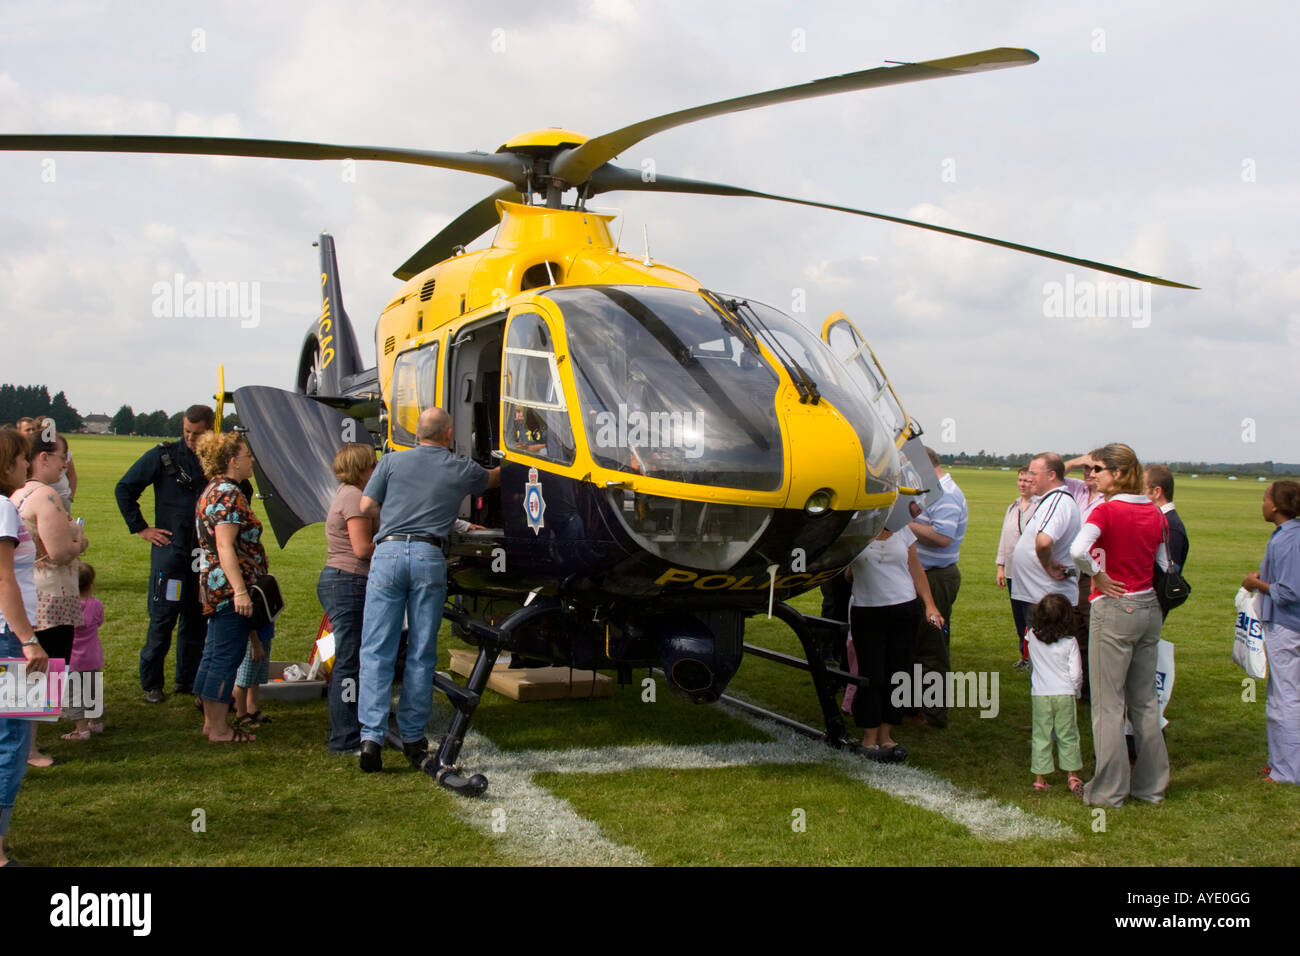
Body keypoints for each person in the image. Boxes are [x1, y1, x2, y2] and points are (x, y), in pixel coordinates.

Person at [357, 407, 499, 773]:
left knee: (376, 648)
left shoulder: (391, 461)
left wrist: (395, 517)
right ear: (448, 433)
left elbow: (366, 505)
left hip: (387, 553)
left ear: (418, 432)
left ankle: (371, 736)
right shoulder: (459, 467)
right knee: (421, 652)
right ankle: (413, 735)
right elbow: (492, 479)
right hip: (427, 556)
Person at [1068, 443, 1169, 808]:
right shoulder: (1156, 513)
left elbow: (1077, 550)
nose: (1091, 474)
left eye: (1097, 469)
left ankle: (1108, 791)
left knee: (1108, 705)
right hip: (1148, 608)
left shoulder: (1107, 510)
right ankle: (1151, 788)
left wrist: (1098, 574)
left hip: (1114, 609)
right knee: (1145, 702)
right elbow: (1163, 564)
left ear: (1119, 473)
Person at [116, 405, 213, 702]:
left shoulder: (216, 459)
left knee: (196, 620)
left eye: (197, 434)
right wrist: (142, 528)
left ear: (210, 431)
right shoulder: (163, 456)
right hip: (170, 553)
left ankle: (187, 680)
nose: (191, 438)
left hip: (202, 555)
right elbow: (125, 488)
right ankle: (152, 684)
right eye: (186, 432)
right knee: (162, 620)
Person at [11, 428, 88, 767]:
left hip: (29, 598)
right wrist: (79, 540)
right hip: (50, 600)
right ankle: (29, 751)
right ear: (42, 458)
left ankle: (24, 747)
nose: (65, 465)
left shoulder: (18, 494)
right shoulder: (47, 497)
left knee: (24, 675)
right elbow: (59, 552)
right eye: (61, 458)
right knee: (43, 673)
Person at [192, 431, 271, 744]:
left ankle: (211, 723)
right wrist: (240, 591)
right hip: (228, 589)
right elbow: (225, 546)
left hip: (215, 585)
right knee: (226, 656)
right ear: (232, 461)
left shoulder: (213, 489)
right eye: (247, 455)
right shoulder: (229, 495)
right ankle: (219, 728)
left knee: (213, 653)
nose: (252, 460)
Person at [843, 524, 943, 762]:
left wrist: (930, 605)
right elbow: (847, 575)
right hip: (867, 611)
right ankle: (869, 736)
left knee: (898, 672)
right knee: (871, 673)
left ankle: (886, 734)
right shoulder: (856, 532)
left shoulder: (903, 530)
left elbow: (916, 569)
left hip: (904, 609)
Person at [0, 428, 48, 866]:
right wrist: (28, 640)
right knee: (12, 739)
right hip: (9, 637)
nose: (26, 465)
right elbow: (4, 580)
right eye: (20, 459)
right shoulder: (2, 508)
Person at [318, 442, 379, 755]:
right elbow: (362, 549)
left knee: (349, 659)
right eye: (372, 464)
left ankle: (349, 727)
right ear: (362, 469)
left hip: (341, 580)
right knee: (348, 662)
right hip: (349, 581)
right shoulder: (355, 497)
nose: (376, 468)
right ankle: (344, 737)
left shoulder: (346, 492)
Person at [1242, 480, 1300, 784]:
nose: (1262, 504)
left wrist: (1256, 584)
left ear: (1276, 505)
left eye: (1265, 499)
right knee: (1284, 696)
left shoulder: (1287, 539)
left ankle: (1287, 771)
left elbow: (1289, 591)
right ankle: (1280, 762)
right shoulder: (1289, 535)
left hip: (1286, 626)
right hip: (1288, 625)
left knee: (1284, 699)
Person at [906, 447, 967, 728]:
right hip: (925, 575)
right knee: (916, 644)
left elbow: (942, 537)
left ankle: (932, 714)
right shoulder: (931, 492)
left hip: (935, 578)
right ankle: (914, 706)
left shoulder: (945, 494)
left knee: (932, 646)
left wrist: (904, 523)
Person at [1026, 594, 1084, 793]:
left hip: (1040, 694)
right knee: (1068, 735)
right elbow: (1076, 674)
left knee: (1041, 735)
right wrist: (1076, 692)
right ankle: (1072, 776)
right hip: (1065, 693)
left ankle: (1040, 779)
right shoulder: (1070, 642)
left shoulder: (1032, 637)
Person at [996, 466, 1036, 670]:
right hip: (1012, 571)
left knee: (1032, 616)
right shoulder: (1012, 506)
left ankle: (1035, 657)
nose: (1022, 484)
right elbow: (1005, 537)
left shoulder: (1040, 507)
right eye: (1020, 480)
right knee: (1019, 616)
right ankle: (1024, 655)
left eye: (1026, 480)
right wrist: (1000, 566)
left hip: (1031, 573)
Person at [61, 562, 105, 740]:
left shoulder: (65, 606)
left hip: (73, 659)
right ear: (91, 584)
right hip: (92, 656)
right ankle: (96, 723)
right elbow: (99, 622)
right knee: (93, 690)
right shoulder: (96, 605)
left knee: (73, 695)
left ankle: (81, 730)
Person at [1145, 464, 1189, 620]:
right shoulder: (1164, 521)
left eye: (1142, 489)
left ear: (1157, 492)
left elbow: (1168, 574)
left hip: (1152, 607)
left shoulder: (1171, 526)